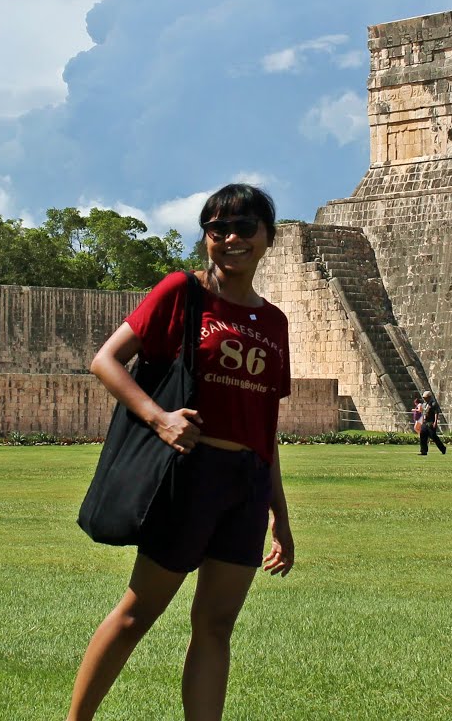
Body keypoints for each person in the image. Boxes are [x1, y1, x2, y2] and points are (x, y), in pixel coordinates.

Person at [68, 184, 294, 721]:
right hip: (192, 474)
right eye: (218, 229)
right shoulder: (182, 292)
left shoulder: (274, 321)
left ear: (268, 237)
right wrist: (159, 417)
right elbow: (106, 360)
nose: (231, 238)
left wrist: (279, 517)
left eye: (244, 227)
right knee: (139, 611)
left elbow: (265, 426)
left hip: (246, 483)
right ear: (206, 238)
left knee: (215, 626)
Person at [417, 390, 447, 456]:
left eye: (425, 397)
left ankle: (443, 448)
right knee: (422, 435)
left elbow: (436, 412)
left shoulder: (433, 403)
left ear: (429, 397)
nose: (424, 399)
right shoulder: (425, 404)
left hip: (431, 422)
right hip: (425, 422)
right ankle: (423, 451)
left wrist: (435, 422)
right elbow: (424, 413)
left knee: (433, 437)